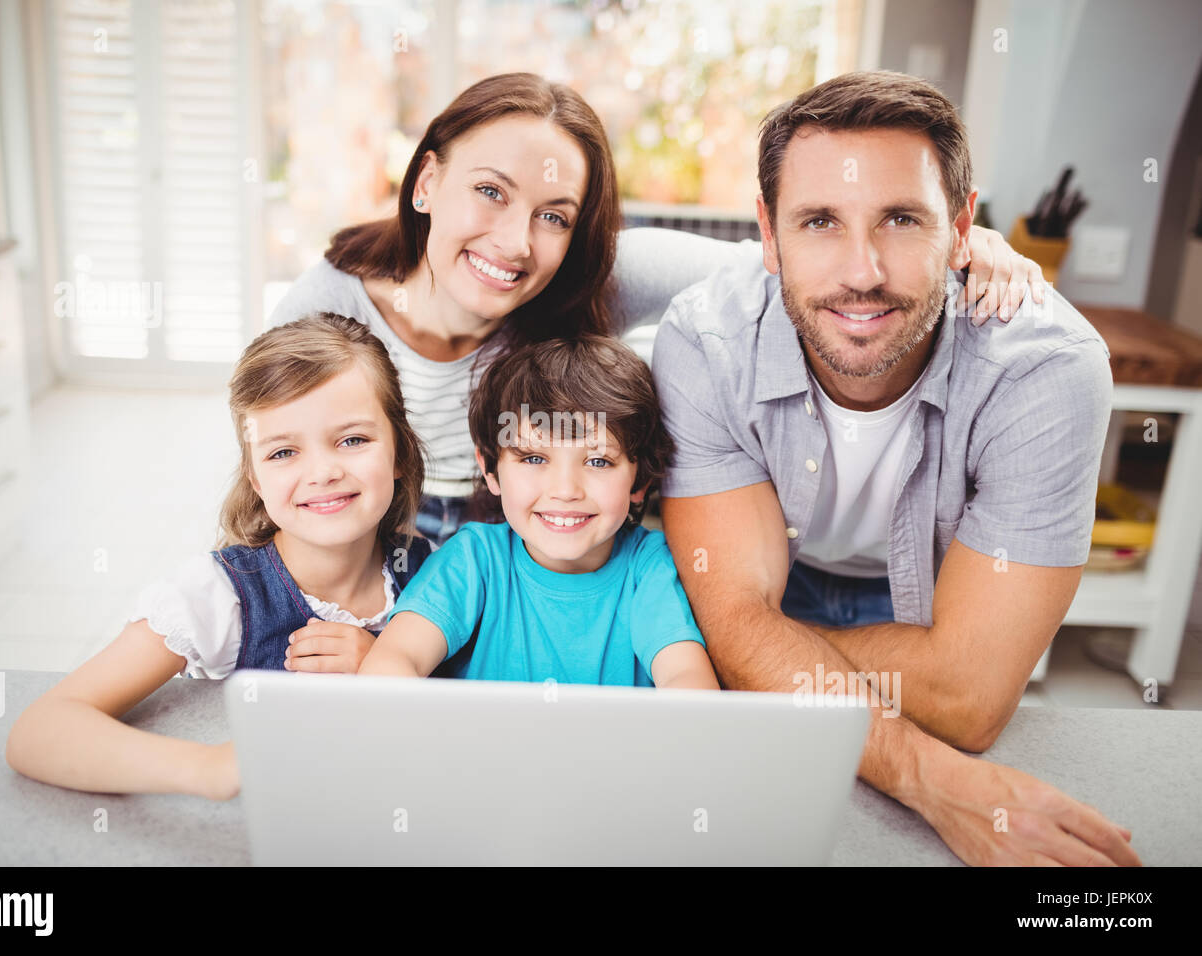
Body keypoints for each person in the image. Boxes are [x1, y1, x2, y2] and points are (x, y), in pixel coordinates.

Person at [650, 70, 1141, 866]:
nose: (862, 271)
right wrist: (937, 781)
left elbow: (971, 699)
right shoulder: (706, 341)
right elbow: (740, 619)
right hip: (786, 567)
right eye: (818, 222)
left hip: (939, 589)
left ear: (960, 227)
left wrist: (749, 650)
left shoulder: (1049, 370)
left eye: (902, 219)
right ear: (768, 237)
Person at [269, 71, 1044, 548]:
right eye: (491, 192)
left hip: (536, 531)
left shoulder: (606, 275)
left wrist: (964, 243)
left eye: (554, 215)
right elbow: (279, 481)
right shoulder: (330, 304)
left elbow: (790, 267)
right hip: (378, 532)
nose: (514, 242)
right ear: (428, 182)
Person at [5, 314, 432, 800]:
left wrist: (387, 667)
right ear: (253, 477)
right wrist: (213, 768)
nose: (323, 471)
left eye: (352, 440)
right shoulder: (217, 598)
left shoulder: (440, 574)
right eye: (282, 452)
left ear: (399, 451)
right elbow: (40, 730)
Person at [359, 335, 718, 690]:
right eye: (534, 458)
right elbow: (395, 659)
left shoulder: (650, 567)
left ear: (640, 480)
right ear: (491, 469)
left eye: (598, 461)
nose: (565, 491)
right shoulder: (474, 559)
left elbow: (687, 681)